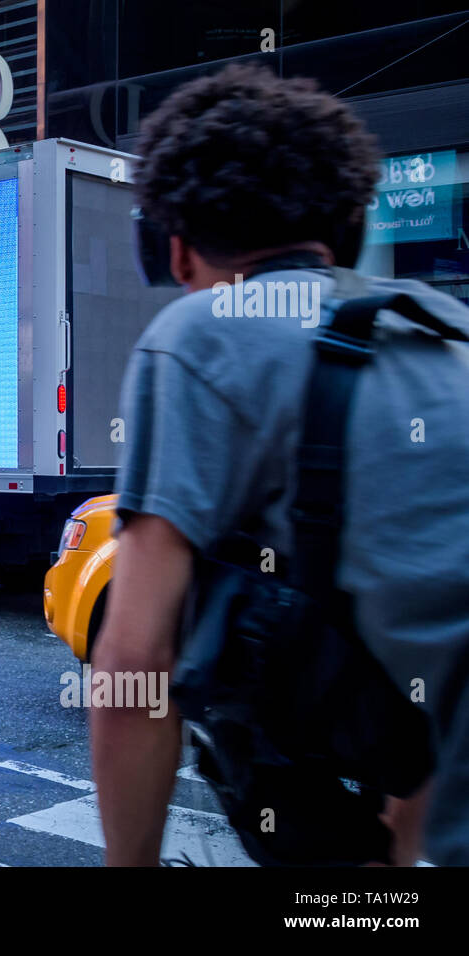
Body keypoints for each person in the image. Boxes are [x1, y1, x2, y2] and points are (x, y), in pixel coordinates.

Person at [90, 63, 469, 867]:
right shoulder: (446, 331)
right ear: (351, 230)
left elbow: (132, 661)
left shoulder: (200, 333)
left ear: (176, 249)